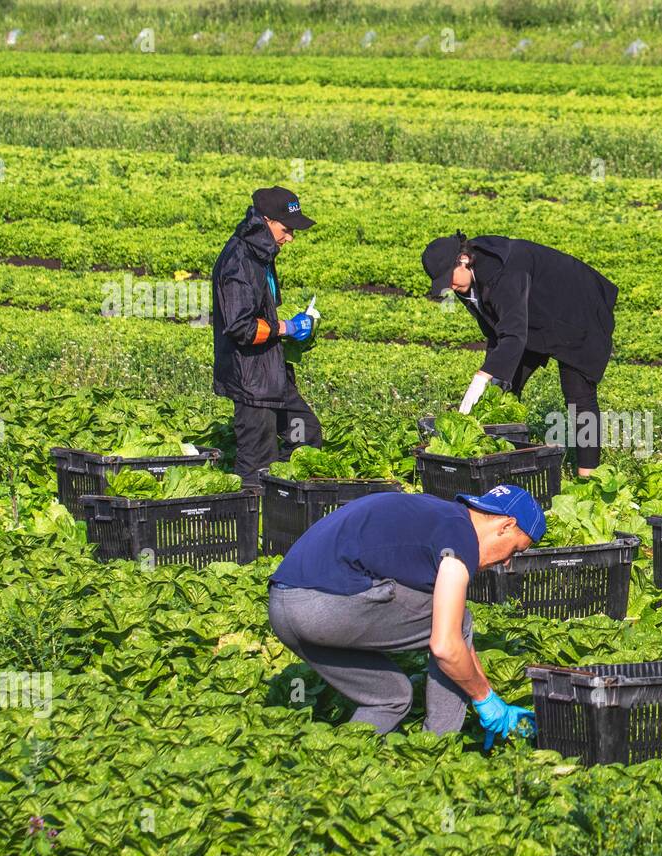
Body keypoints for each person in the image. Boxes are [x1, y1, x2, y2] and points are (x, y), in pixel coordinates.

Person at [267, 484, 543, 747]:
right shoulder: (460, 536)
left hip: (282, 608)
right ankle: (436, 749)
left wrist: (490, 696)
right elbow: (447, 645)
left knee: (389, 697)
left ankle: (335, 765)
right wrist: (484, 700)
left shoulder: (436, 515)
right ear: (506, 525)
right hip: (321, 606)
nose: (507, 563)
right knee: (456, 622)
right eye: (515, 550)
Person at [421, 232, 619, 476]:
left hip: (578, 309)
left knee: (579, 396)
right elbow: (497, 329)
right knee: (502, 391)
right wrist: (492, 377)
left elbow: (513, 335)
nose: (449, 287)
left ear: (463, 259)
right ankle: (498, 463)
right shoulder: (466, 279)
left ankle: (589, 479)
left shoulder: (503, 272)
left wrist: (481, 376)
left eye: (448, 278)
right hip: (535, 313)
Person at [212, 186, 323, 488]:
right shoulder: (240, 261)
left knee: (305, 434)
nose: (291, 237)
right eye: (287, 230)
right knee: (258, 463)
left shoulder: (261, 254)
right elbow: (240, 327)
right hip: (253, 385)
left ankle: (290, 501)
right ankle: (256, 522)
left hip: (273, 377)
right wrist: (286, 328)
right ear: (266, 221)